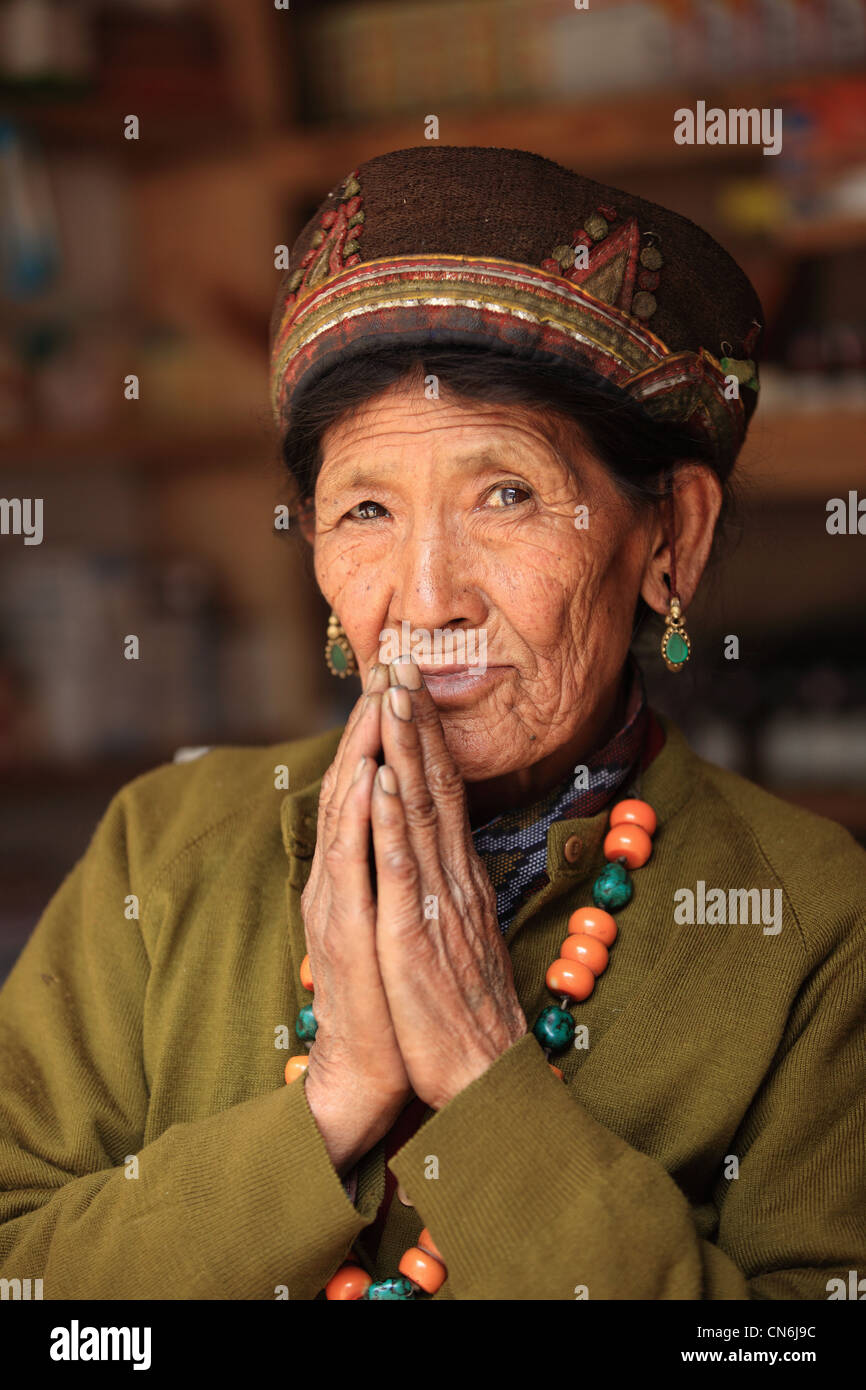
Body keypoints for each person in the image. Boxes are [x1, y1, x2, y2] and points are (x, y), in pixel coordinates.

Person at [1, 146, 864, 1301]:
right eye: (365, 508)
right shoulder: (159, 850)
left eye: (505, 494)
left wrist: (482, 1075)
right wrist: (332, 1100)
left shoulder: (814, 923)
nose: (423, 599)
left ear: (669, 536)